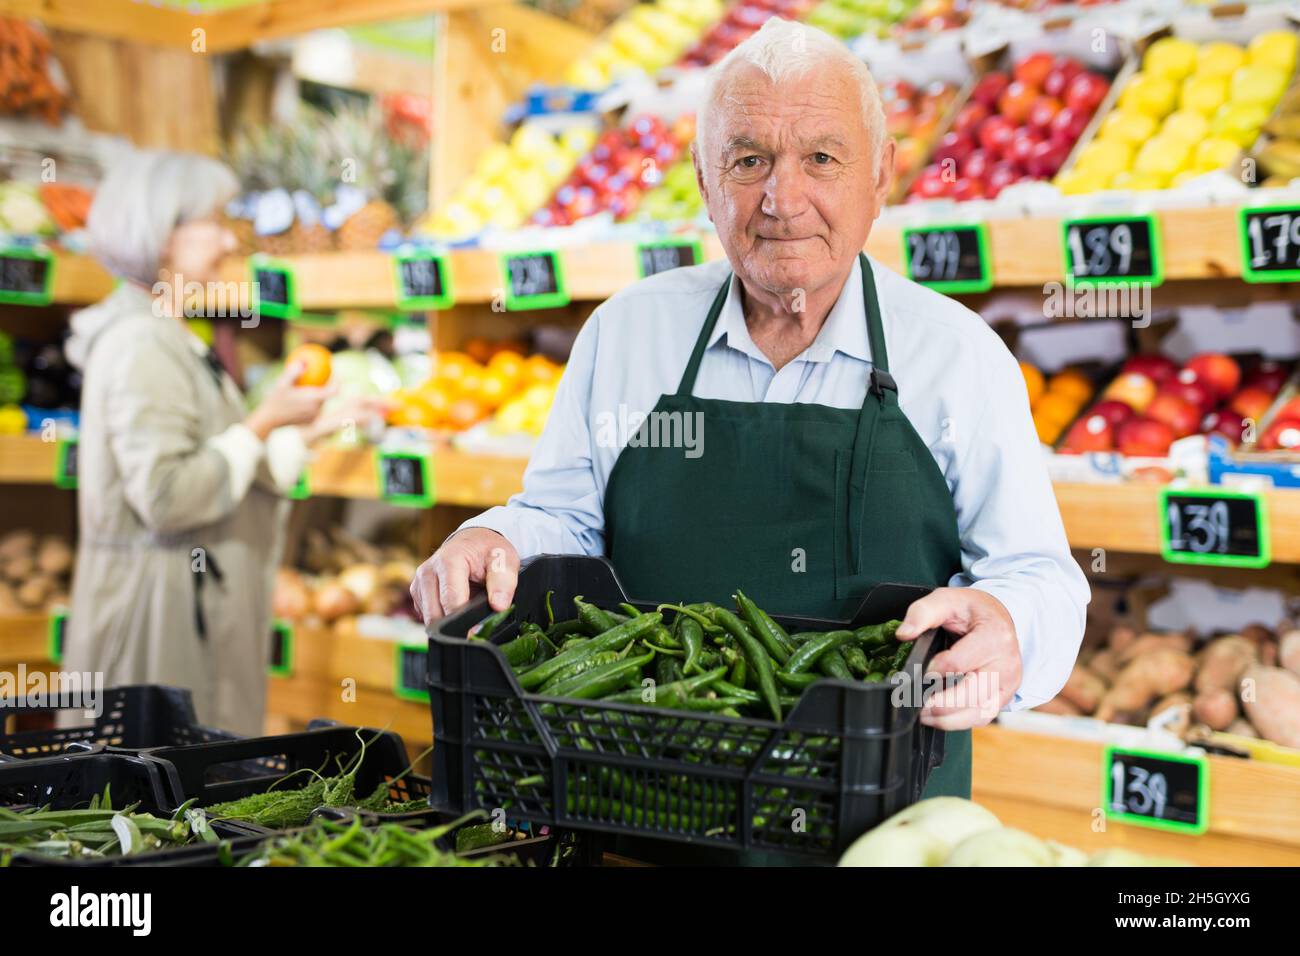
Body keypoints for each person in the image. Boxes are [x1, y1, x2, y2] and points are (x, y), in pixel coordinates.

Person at [413, 20, 1089, 800]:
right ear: (703, 179)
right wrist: (496, 536)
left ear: (882, 175)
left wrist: (1009, 624)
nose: (782, 198)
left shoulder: (956, 357)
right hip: (639, 795)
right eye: (749, 160)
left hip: (877, 821)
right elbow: (567, 522)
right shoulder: (628, 334)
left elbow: (1041, 576)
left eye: (822, 159)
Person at [63, 150, 385, 735]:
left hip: (183, 612)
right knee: (148, 808)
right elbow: (165, 495)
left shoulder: (169, 333)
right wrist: (262, 422)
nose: (228, 240)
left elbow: (216, 454)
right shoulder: (141, 344)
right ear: (164, 236)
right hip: (152, 628)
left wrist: (302, 427)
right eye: (212, 220)